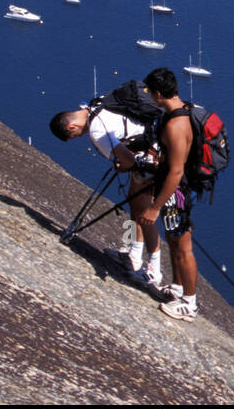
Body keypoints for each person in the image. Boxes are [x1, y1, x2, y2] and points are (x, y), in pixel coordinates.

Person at [48, 101, 164, 288]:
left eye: (74, 135)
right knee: (136, 205)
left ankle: (154, 270)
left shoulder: (96, 132)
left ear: (71, 126)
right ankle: (134, 255)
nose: (79, 137)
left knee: (144, 213)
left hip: (152, 153)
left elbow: (128, 160)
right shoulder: (96, 104)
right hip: (152, 141)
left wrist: (123, 164)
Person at [139, 67, 200, 321]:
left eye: (151, 94)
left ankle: (189, 303)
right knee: (174, 241)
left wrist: (154, 208)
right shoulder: (182, 110)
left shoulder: (176, 125)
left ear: (158, 93)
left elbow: (176, 172)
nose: (150, 98)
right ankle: (177, 288)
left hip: (176, 193)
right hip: (175, 190)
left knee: (183, 246)